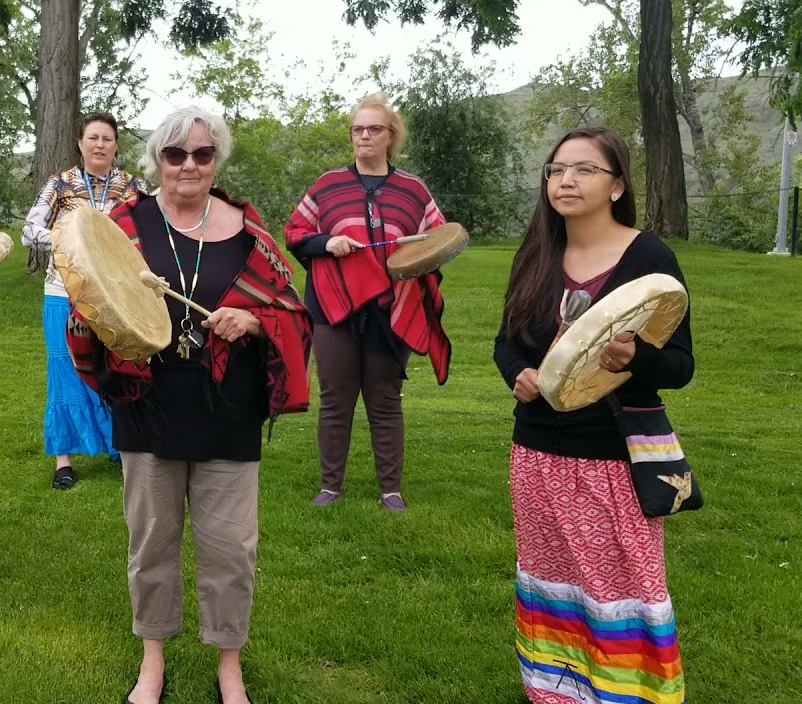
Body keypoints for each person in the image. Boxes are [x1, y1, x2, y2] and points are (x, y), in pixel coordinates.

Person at [66, 106, 312, 704]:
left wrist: (254, 320)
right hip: (148, 406)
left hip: (228, 409)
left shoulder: (250, 232)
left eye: (202, 154)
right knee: (150, 541)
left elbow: (293, 314)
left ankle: (229, 663)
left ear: (216, 160)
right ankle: (152, 660)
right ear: (156, 160)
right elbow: (87, 302)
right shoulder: (121, 225)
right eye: (175, 154)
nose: (188, 165)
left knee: (231, 546)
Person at [493, 126, 694, 704]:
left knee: (621, 589)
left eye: (584, 169)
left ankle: (628, 695)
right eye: (556, 170)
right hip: (536, 456)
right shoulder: (536, 251)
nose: (566, 180)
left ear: (617, 186)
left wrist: (639, 357)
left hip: (615, 459)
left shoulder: (650, 257)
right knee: (551, 585)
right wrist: (519, 376)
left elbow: (681, 364)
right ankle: (555, 694)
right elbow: (506, 343)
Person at [284, 93, 452, 510]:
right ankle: (330, 486)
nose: (364, 136)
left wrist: (415, 255)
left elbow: (438, 239)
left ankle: (390, 488)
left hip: (389, 309)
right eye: (357, 129)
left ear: (391, 136)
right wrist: (327, 241)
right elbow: (295, 232)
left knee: (384, 399)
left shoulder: (412, 190)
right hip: (332, 308)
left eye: (373, 129)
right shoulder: (327, 185)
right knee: (336, 399)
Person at [22, 111, 148, 490]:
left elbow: (149, 231)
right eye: (92, 138)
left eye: (107, 139)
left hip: (114, 294)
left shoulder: (132, 186)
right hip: (63, 290)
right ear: (80, 143)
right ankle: (64, 460)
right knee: (64, 368)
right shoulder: (60, 184)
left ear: (115, 146)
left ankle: (121, 447)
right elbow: (29, 230)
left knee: (115, 367)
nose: (99, 145)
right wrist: (66, 240)